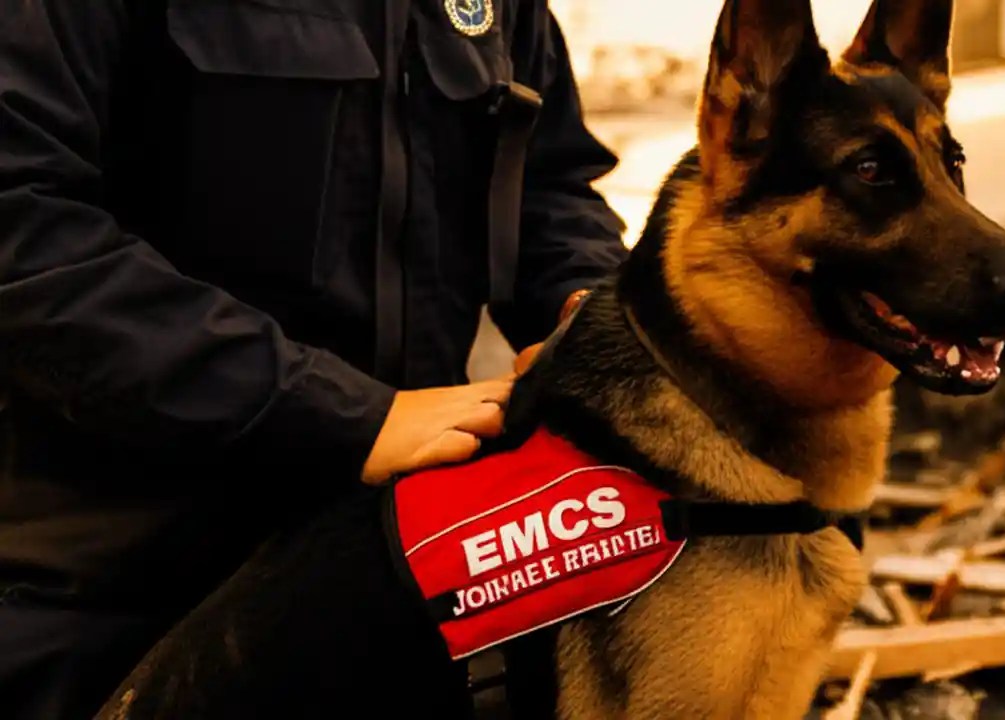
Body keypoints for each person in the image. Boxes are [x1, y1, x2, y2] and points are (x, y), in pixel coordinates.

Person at [0, 0, 628, 717]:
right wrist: (345, 416)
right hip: (122, 586)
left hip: (394, 569)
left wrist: (591, 322)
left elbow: (546, 182)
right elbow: (22, 230)